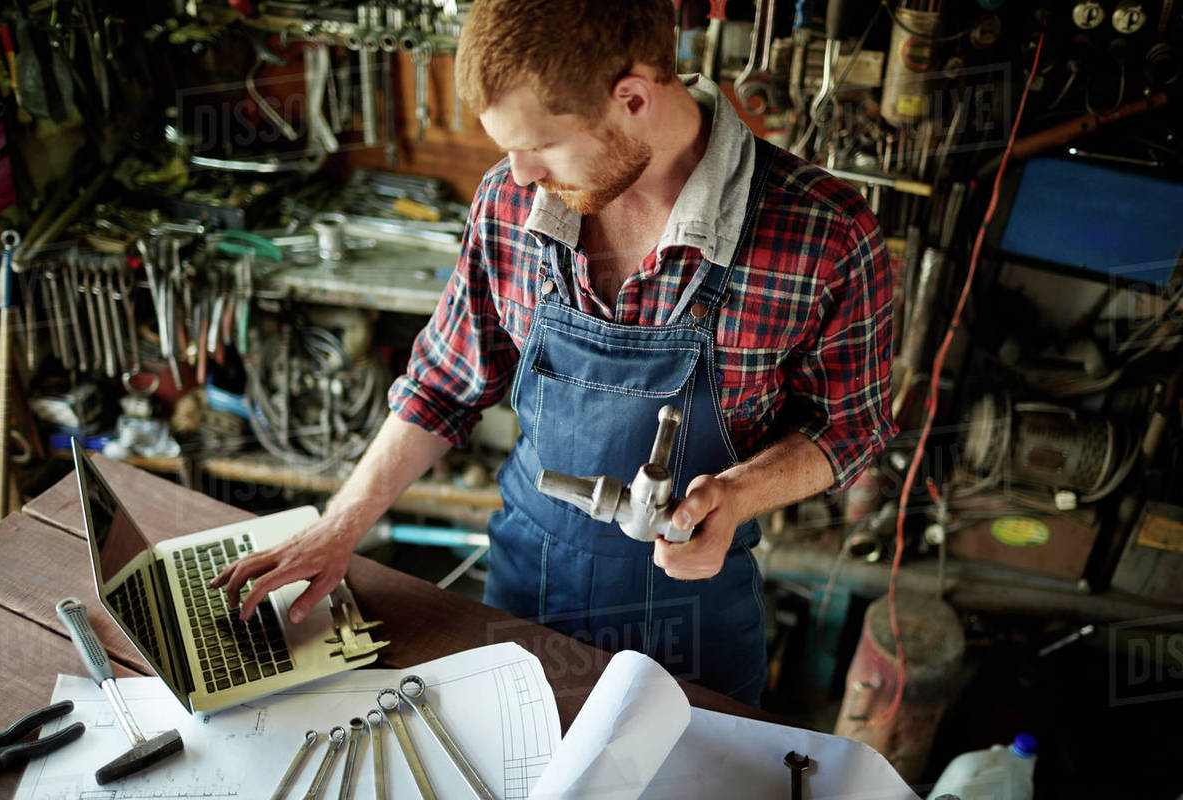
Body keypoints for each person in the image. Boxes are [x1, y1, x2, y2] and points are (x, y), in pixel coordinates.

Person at [213, 0, 897, 706]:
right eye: (507, 148)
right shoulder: (510, 207)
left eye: (540, 146)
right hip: (526, 585)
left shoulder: (826, 235)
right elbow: (444, 382)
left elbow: (849, 427)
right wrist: (340, 526)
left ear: (632, 97)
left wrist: (737, 495)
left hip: (694, 618)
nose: (517, 174)